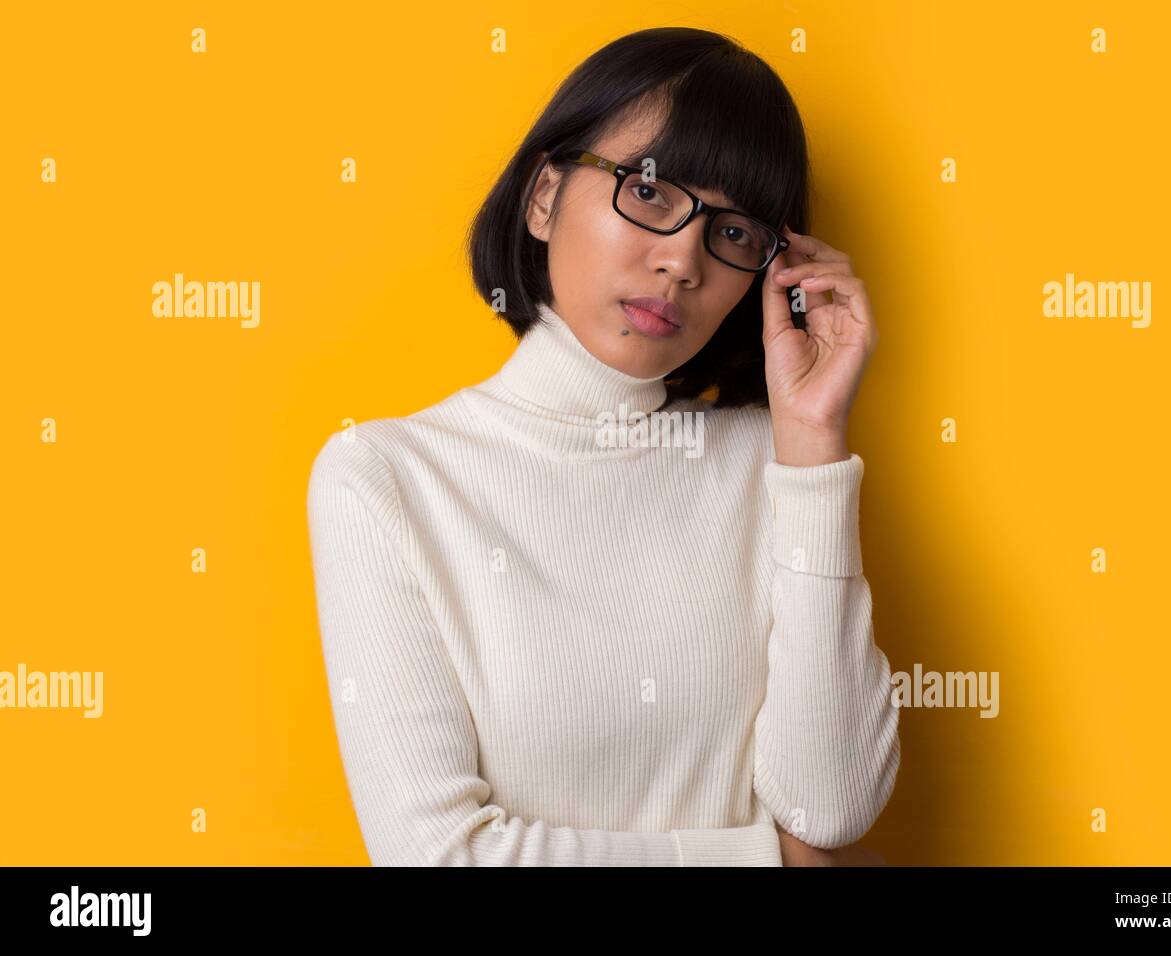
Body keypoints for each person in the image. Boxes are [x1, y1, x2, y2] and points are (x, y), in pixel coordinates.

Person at [307, 26, 898, 866]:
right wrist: (761, 859)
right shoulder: (386, 480)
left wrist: (811, 441)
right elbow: (436, 855)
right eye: (651, 192)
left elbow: (831, 808)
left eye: (732, 233)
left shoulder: (775, 465)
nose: (682, 260)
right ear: (544, 197)